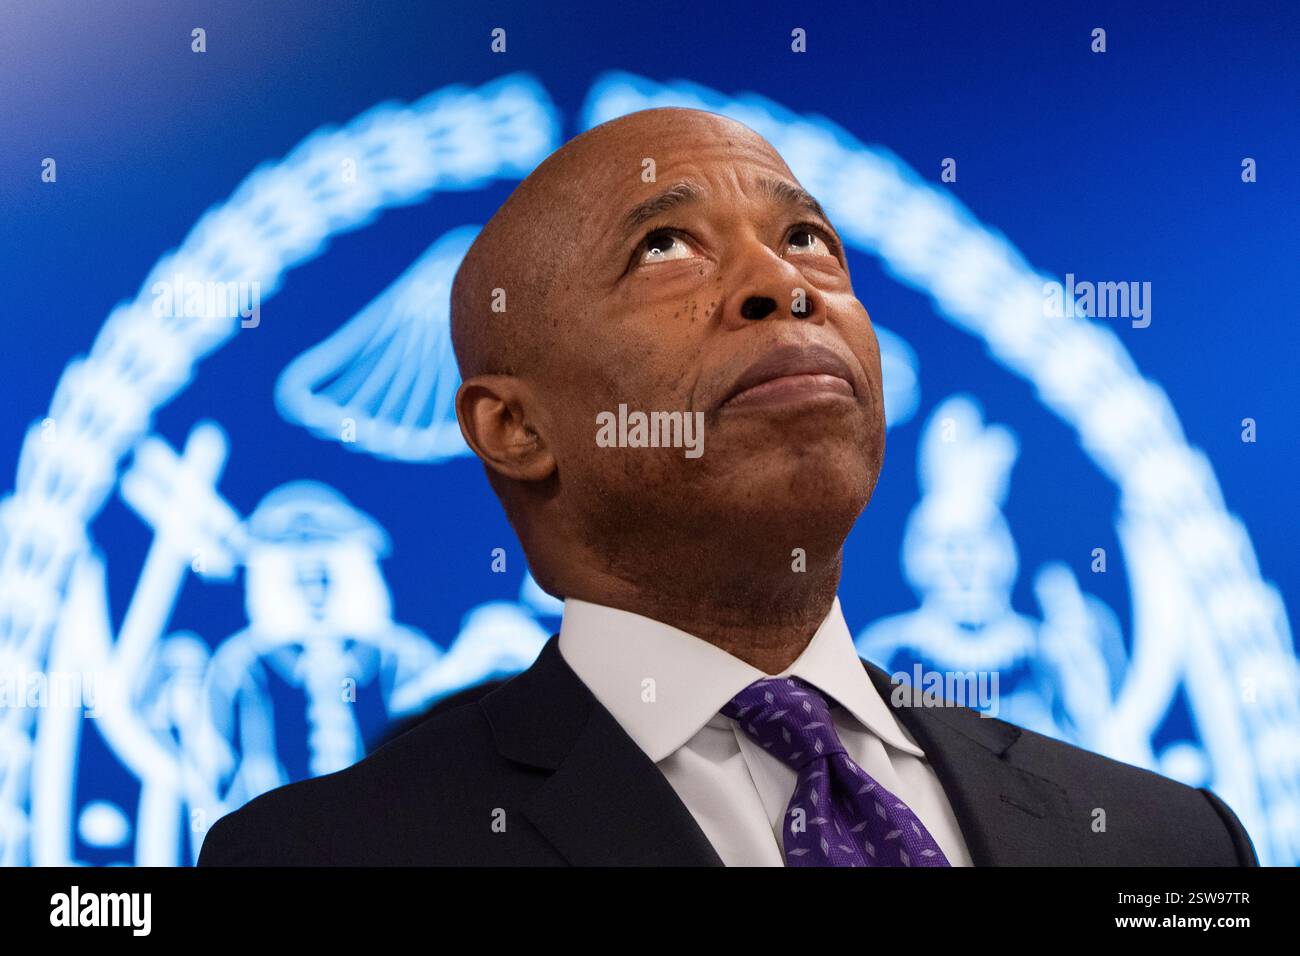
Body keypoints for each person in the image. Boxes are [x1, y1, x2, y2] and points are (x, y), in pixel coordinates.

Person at [198, 107, 1257, 866]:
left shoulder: (1168, 843)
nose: (783, 283)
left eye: (806, 238)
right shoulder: (323, 854)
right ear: (512, 427)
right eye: (665, 246)